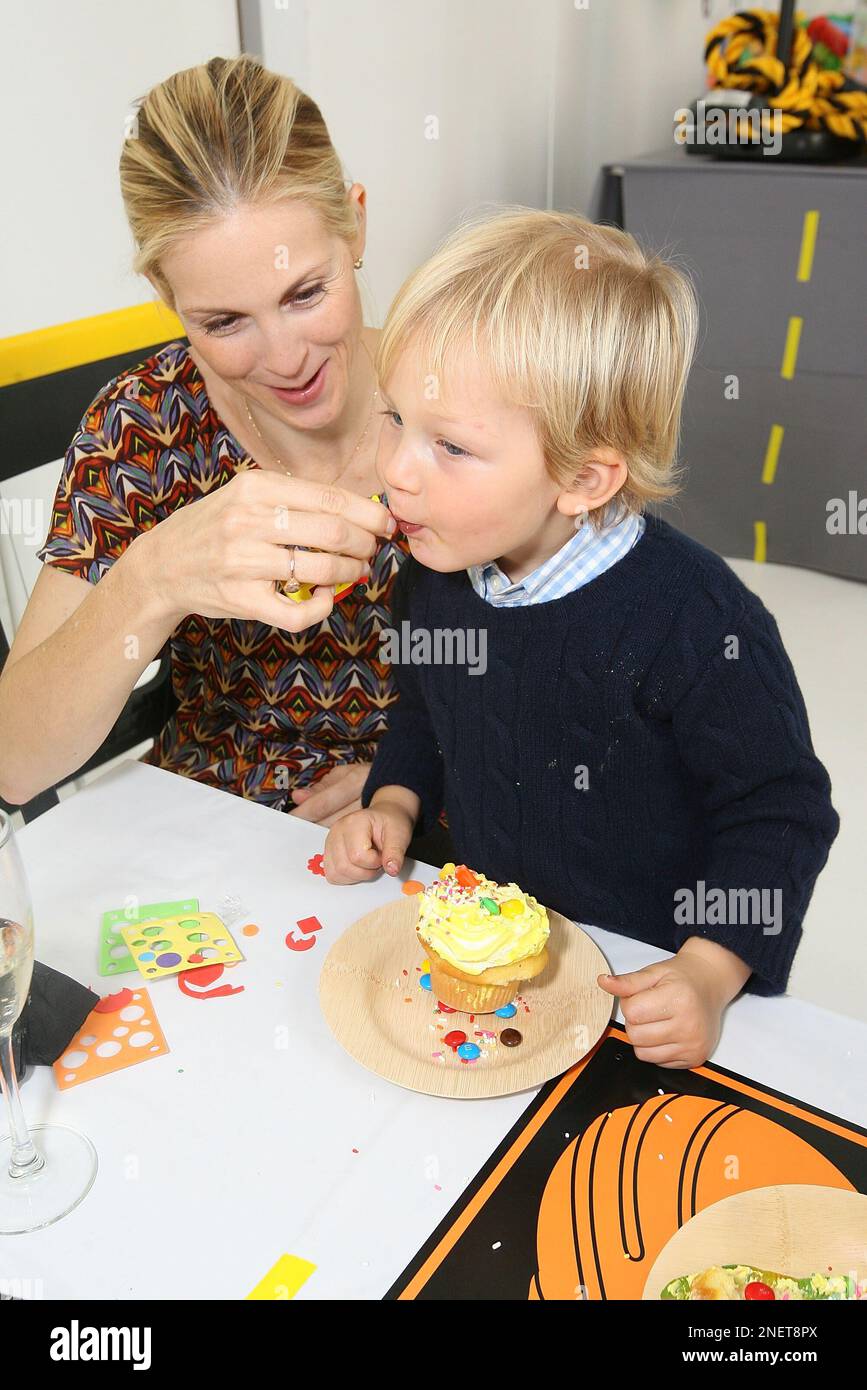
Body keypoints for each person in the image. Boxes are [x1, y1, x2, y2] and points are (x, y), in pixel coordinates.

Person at [323, 207, 840, 1069]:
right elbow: (426, 711)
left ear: (582, 477)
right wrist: (394, 801)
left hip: (644, 979)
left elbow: (780, 813)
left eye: (449, 445)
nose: (396, 468)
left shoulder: (698, 623)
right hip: (500, 966)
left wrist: (709, 972)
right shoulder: (434, 567)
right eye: (394, 418)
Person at [0, 55, 437, 845]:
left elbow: (598, 675)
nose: (286, 358)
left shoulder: (464, 390)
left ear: (356, 223)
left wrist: (414, 774)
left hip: (455, 821)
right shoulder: (148, 424)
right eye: (223, 322)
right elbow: (15, 761)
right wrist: (154, 579)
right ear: (169, 301)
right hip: (215, 838)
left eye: (306, 293)